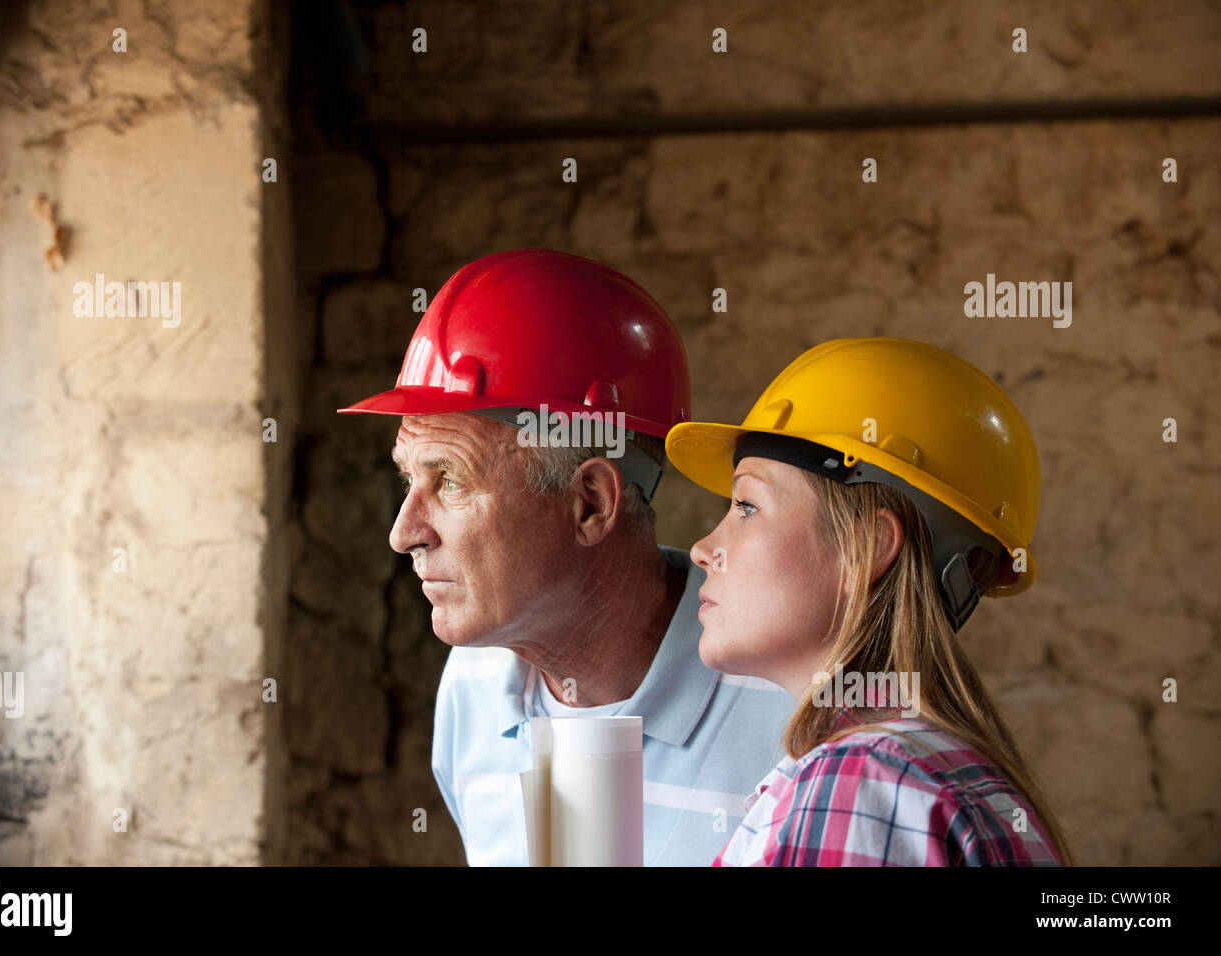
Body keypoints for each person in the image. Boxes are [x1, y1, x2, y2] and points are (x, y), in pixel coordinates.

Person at [339, 249, 793, 865]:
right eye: (408, 480)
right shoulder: (472, 688)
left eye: (449, 482)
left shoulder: (794, 713)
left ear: (588, 504)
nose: (404, 534)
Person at [665, 337, 1072, 866]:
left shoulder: (861, 787)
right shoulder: (933, 771)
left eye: (746, 505)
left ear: (869, 548)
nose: (702, 549)